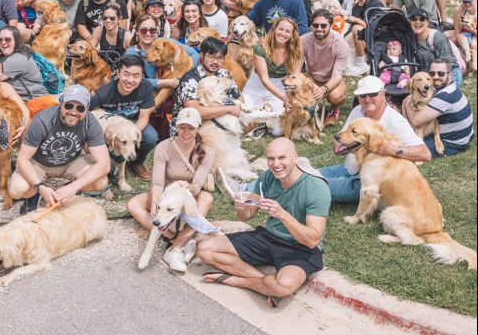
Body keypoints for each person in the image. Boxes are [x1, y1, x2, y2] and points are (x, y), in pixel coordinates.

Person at [197, 138, 330, 307]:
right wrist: (241, 206)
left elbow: (312, 240)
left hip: (301, 249)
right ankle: (264, 284)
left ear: (295, 157)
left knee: (283, 286)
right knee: (205, 249)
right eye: (271, 159)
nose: (276, 164)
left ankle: (239, 281)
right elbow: (247, 215)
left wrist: (282, 214)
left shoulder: (316, 187)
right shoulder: (268, 176)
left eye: (282, 158)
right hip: (269, 238)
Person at [127, 108, 215, 272]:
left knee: (207, 199)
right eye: (182, 127)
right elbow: (158, 183)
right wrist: (155, 204)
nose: (186, 132)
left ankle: (176, 247)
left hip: (188, 195)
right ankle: (173, 237)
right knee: (133, 204)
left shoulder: (207, 152)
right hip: (167, 194)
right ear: (176, 126)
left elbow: (197, 186)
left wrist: (190, 187)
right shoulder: (164, 147)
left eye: (191, 128)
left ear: (197, 129)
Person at [319, 76, 430, 203]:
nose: (367, 99)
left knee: (313, 185)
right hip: (348, 168)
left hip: (369, 182)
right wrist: (343, 146)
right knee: (307, 175)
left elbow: (425, 154)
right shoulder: (358, 111)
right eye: (362, 96)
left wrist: (394, 150)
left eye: (372, 94)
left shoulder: (395, 120)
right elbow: (339, 140)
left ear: (383, 95)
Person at [9, 84, 111, 215]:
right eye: (69, 106)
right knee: (17, 189)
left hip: (71, 162)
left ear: (87, 109)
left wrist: (74, 187)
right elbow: (23, 160)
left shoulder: (90, 123)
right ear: (61, 103)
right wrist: (40, 187)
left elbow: (104, 164)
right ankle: (34, 195)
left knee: (101, 182)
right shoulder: (42, 120)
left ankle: (65, 190)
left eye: (80, 108)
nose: (73, 111)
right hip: (39, 163)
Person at [90, 55, 159, 180]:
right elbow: (87, 114)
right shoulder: (104, 93)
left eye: (136, 76)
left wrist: (132, 132)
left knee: (151, 137)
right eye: (126, 74)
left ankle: (136, 163)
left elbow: (144, 117)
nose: (130, 80)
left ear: (142, 76)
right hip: (110, 126)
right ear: (118, 73)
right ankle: (104, 165)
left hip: (133, 124)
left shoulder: (145, 87)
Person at [173, 37, 241, 133]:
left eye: (220, 58)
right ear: (202, 55)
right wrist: (228, 109)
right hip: (190, 128)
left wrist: (235, 107)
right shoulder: (190, 78)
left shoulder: (224, 74)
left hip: (220, 121)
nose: (215, 62)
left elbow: (238, 97)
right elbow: (194, 111)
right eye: (211, 57)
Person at [406, 59, 473, 157]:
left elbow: (416, 121)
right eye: (432, 73)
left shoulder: (443, 97)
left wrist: (407, 103)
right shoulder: (451, 88)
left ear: (449, 75)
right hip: (465, 135)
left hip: (452, 143)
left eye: (441, 74)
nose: (435, 77)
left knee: (406, 149)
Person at [241, 19, 302, 122]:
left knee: (277, 129)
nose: (283, 33)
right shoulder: (260, 47)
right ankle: (259, 119)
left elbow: (294, 78)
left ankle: (262, 119)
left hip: (280, 85)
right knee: (243, 116)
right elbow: (264, 79)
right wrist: (284, 98)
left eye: (287, 31)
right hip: (257, 85)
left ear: (292, 35)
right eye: (280, 29)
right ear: (274, 29)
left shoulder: (295, 51)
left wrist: (290, 98)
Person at [298, 10, 349, 118]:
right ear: (311, 26)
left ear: (330, 25)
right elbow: (296, 70)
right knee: (297, 88)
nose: (319, 29)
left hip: (332, 77)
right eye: (315, 25)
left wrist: (324, 89)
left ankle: (335, 108)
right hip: (312, 76)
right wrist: (311, 85)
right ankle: (308, 109)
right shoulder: (302, 41)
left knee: (336, 96)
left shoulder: (341, 44)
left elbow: (337, 75)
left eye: (323, 25)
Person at [345, 0, 382, 76]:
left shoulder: (375, 3)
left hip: (376, 36)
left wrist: (355, 19)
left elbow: (375, 25)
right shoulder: (356, 6)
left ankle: (360, 63)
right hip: (361, 38)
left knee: (357, 29)